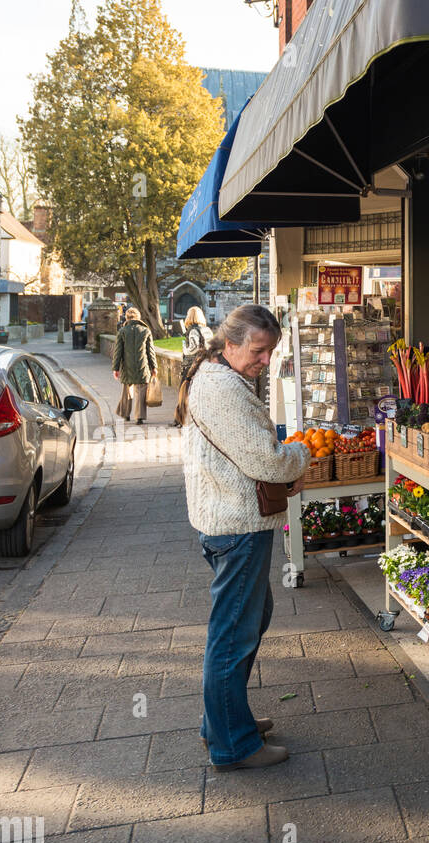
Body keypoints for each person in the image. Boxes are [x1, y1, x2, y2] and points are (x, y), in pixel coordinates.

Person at [177, 304, 310, 771]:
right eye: (258, 350)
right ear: (229, 344)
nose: (265, 361)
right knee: (233, 634)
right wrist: (300, 452)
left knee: (248, 620)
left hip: (228, 522)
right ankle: (232, 744)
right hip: (236, 527)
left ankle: (224, 720)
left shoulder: (216, 376)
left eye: (270, 351)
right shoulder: (221, 388)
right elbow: (268, 461)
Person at [112, 307, 157, 424]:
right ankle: (139, 417)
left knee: (127, 390)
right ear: (138, 317)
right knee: (141, 391)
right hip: (142, 366)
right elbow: (150, 351)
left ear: (126, 318)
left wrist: (115, 368)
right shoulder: (145, 331)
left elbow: (118, 352)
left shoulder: (122, 331)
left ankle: (125, 414)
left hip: (127, 367)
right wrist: (154, 367)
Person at [181, 306, 211, 385]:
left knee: (184, 390)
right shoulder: (207, 330)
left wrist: (184, 348)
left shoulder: (193, 331)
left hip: (192, 366)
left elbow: (193, 348)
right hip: (206, 364)